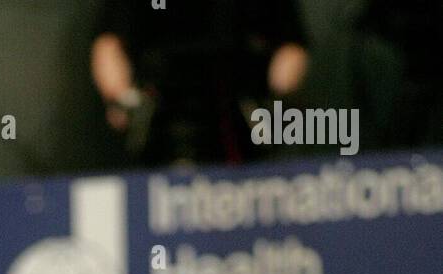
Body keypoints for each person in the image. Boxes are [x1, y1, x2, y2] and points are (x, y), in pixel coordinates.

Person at [91, 0, 309, 166]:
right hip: (160, 118)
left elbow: (290, 47)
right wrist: (121, 98)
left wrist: (279, 100)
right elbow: (109, 45)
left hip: (237, 116)